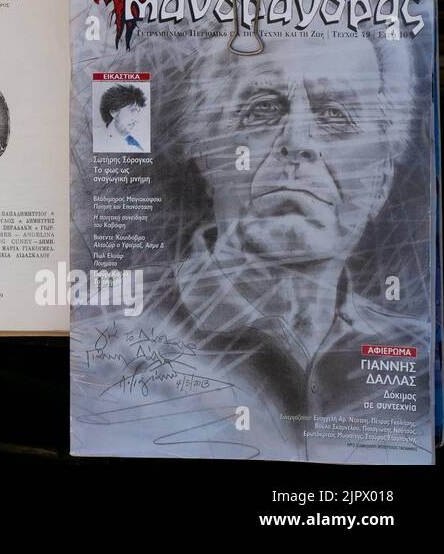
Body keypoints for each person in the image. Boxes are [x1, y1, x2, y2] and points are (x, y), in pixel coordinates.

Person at [73, 34, 432, 462]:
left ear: (381, 178)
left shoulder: (417, 357)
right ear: (206, 151)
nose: (297, 140)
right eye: (263, 108)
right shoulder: (105, 354)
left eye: (336, 114)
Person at [94, 83, 148, 152]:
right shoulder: (94, 139)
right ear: (113, 112)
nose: (136, 119)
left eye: (138, 113)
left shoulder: (136, 147)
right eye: (132, 110)